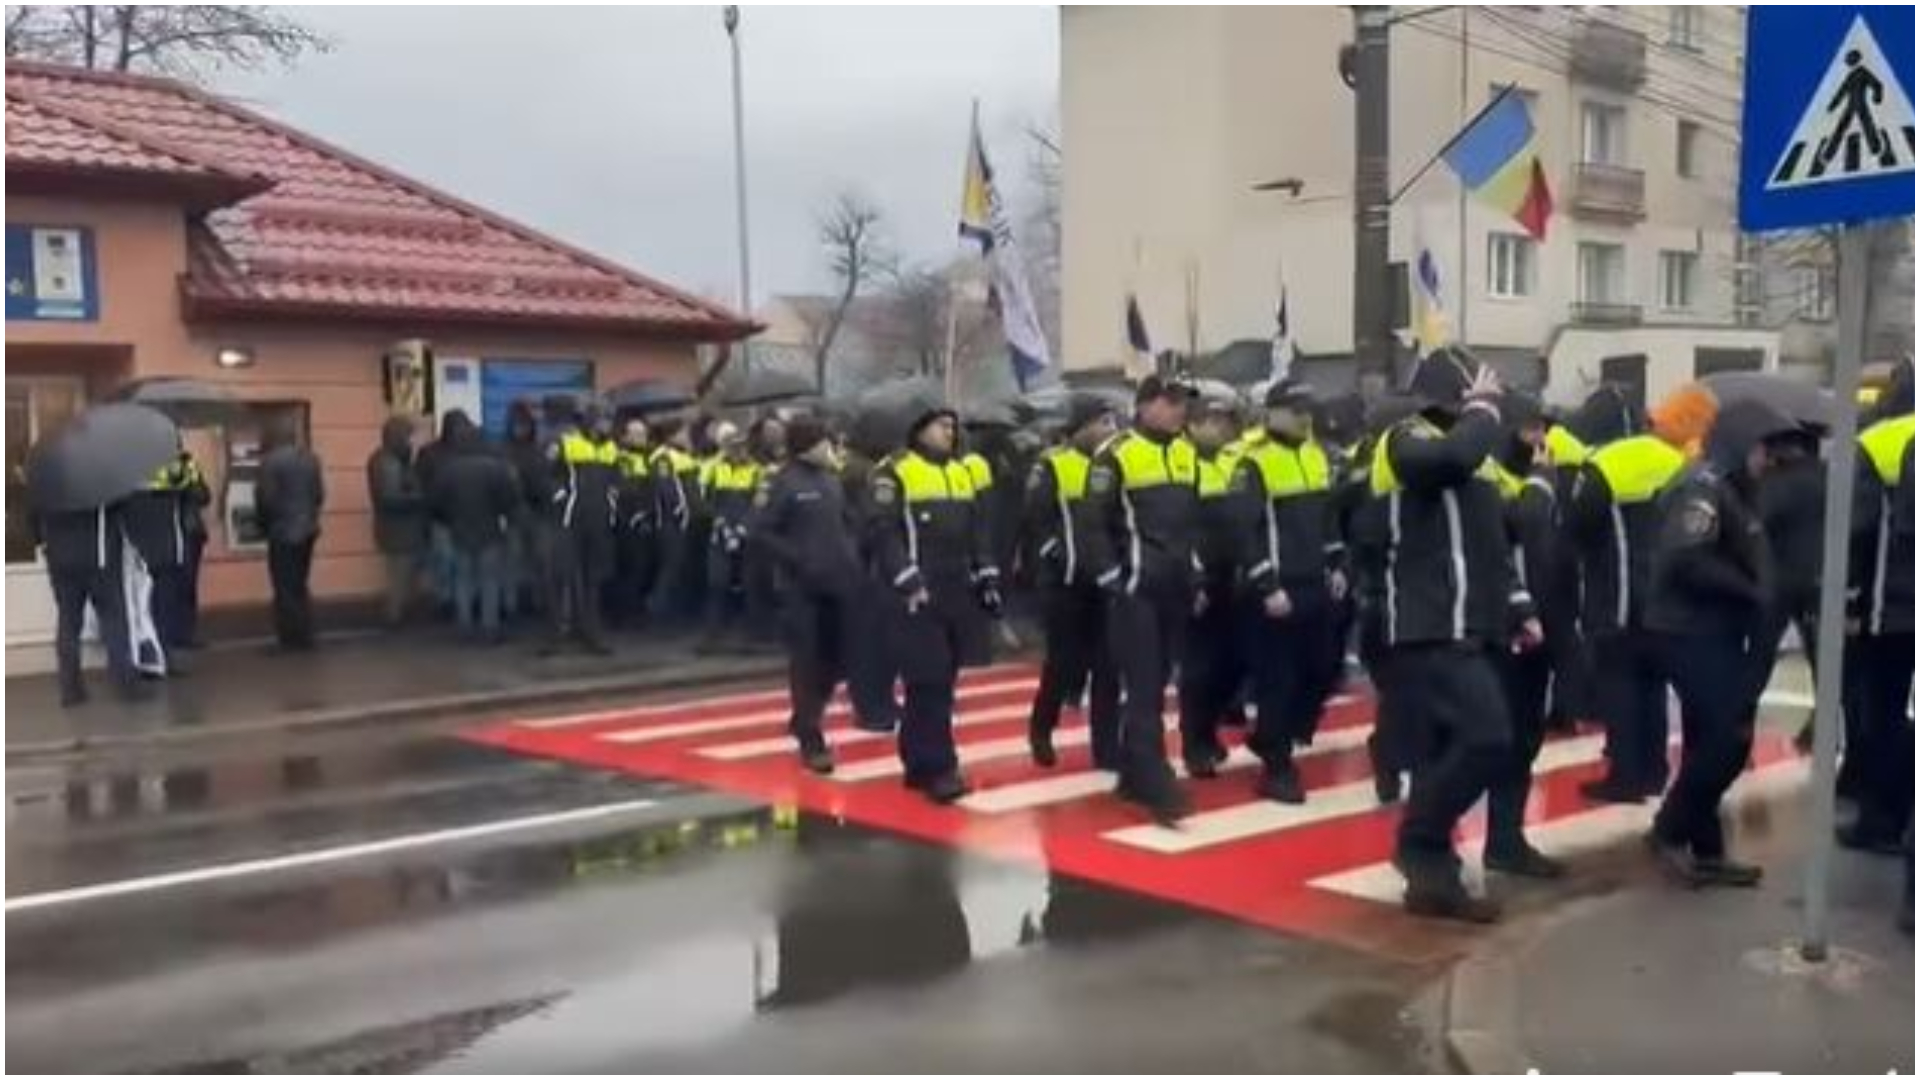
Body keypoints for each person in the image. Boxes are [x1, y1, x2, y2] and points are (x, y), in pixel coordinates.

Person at [1370, 356, 1538, 922]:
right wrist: (1483, 413)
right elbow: (1450, 458)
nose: (1490, 404)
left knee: (1446, 751)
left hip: (1475, 622)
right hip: (1426, 623)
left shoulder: (1477, 451)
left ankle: (1432, 881)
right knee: (1488, 737)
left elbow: (1491, 544)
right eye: (1477, 392)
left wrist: (1519, 607)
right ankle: (1418, 842)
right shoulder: (1405, 438)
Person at [1644, 399, 1800, 888]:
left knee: (1705, 739)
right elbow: (1688, 559)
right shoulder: (1703, 488)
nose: (1766, 459)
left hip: (1717, 631)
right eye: (1760, 448)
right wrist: (1750, 590)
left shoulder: (1734, 491)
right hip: (1690, 630)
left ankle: (1705, 846)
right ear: (1738, 444)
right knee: (1728, 737)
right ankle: (1669, 830)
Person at [1567, 383, 1716, 803]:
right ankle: (1653, 770)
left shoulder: (1608, 461)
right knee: (1651, 685)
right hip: (1666, 595)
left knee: (1621, 684)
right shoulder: (1679, 460)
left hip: (1617, 592)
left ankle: (1626, 776)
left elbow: (1578, 523)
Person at [1081, 374, 1203, 824]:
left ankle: (1134, 773)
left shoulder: (1188, 452)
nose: (1179, 411)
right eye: (1170, 402)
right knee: (1144, 684)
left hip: (1175, 589)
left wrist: (1195, 573)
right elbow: (1091, 524)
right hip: (1136, 591)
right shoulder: (1115, 455)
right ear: (1145, 405)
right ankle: (1155, 781)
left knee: (1157, 684)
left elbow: (1194, 522)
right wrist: (1116, 578)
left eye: (1182, 403)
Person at [868, 406, 998, 804]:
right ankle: (939, 766)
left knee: (944, 677)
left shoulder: (961, 472)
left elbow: (978, 529)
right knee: (930, 677)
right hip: (916, 591)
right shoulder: (895, 471)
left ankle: (918, 760)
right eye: (942, 426)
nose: (951, 433)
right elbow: (881, 530)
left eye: (953, 426)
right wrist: (906, 578)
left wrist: (987, 575)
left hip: (955, 588)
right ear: (919, 429)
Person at [1232, 379, 1346, 802]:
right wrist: (1266, 583)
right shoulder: (1253, 463)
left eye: (1309, 411)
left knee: (1321, 668)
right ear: (1274, 412)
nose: (1305, 418)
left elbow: (1328, 519)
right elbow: (1245, 531)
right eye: (1297, 410)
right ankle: (1277, 767)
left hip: (1315, 581)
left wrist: (1337, 562)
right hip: (1276, 590)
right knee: (1276, 678)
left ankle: (1272, 736)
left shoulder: (1316, 456)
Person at [751, 415, 866, 774]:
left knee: (836, 661)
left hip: (840, 583)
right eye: (821, 442)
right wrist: (797, 559)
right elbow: (760, 531)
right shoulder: (782, 482)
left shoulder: (832, 480)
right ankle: (811, 738)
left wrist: (852, 555)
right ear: (806, 445)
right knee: (806, 661)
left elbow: (848, 522)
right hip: (801, 588)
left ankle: (805, 714)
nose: (828, 447)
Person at [1485, 399, 1566, 878]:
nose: (1539, 439)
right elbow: (1520, 524)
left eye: (1544, 429)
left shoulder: (1547, 475)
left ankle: (1506, 838)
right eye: (1530, 429)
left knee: (1526, 735)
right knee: (1499, 735)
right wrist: (1541, 484)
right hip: (1502, 624)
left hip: (1541, 621)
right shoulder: (1489, 475)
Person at [1838, 362, 1914, 856]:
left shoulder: (1880, 444)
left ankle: (1883, 820)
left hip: (1891, 608)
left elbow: (1857, 532)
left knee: (1881, 716)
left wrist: (1846, 601)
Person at [1022, 394, 1122, 769]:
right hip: (1064, 583)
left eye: (1112, 422)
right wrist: (1056, 553)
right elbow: (1035, 520)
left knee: (1108, 665)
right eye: (1101, 422)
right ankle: (1041, 729)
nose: (1108, 430)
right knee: (1063, 663)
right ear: (1081, 426)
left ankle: (1106, 746)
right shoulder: (1052, 464)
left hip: (1105, 581)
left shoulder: (1113, 464)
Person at [1178, 392, 1249, 778]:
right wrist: (1195, 578)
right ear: (1193, 424)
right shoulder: (1182, 464)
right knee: (1199, 666)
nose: (1221, 428)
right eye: (1213, 421)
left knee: (1233, 662)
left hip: (1234, 576)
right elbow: (1181, 529)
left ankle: (1209, 728)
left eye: (1226, 421)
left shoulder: (1232, 463)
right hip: (1200, 577)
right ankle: (1195, 743)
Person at [36, 504, 144, 705]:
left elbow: (33, 517)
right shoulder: (99, 483)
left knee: (68, 623)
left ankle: (70, 688)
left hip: (61, 560)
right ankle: (124, 682)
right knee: (114, 620)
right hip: (99, 559)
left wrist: (45, 544)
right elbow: (126, 514)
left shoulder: (50, 485)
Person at [430, 410, 519, 644]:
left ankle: (464, 628)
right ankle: (490, 628)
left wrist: (448, 521)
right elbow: (510, 499)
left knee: (463, 581)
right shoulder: (495, 468)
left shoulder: (448, 469)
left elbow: (436, 502)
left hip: (459, 532)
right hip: (490, 532)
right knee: (490, 581)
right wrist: (503, 517)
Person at [542, 401, 619, 655]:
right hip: (569, 519)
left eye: (608, 421)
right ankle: (556, 633)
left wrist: (612, 500)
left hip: (598, 521)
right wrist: (560, 495)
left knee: (592, 580)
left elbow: (615, 479)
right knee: (562, 576)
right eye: (601, 421)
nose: (605, 426)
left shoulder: (610, 449)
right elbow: (547, 473)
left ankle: (591, 632)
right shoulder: (567, 443)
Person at [255, 417, 325, 651]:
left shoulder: (270, 462)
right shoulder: (310, 459)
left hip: (282, 531)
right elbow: (319, 495)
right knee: (300, 583)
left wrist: (264, 525)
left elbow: (266, 499)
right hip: (308, 529)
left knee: (284, 586)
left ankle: (289, 638)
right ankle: (305, 634)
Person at [699, 421, 764, 652]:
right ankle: (712, 637)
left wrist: (744, 529)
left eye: (742, 447)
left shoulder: (757, 470)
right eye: (733, 447)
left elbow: (760, 505)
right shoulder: (713, 469)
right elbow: (703, 501)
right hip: (720, 534)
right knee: (717, 584)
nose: (738, 451)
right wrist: (719, 523)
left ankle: (752, 637)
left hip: (747, 536)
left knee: (750, 585)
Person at [366, 415, 428, 628]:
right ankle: (393, 618)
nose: (413, 442)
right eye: (410, 436)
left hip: (399, 529)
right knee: (400, 577)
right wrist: (421, 498)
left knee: (403, 576)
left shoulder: (390, 459)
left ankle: (398, 615)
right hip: (399, 530)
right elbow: (391, 498)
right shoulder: (388, 463)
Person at [648, 417, 705, 627]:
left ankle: (673, 612)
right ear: (672, 435)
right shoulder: (663, 458)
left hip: (687, 521)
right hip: (671, 522)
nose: (686, 436)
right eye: (683, 432)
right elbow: (666, 488)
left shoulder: (685, 456)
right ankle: (655, 609)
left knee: (681, 566)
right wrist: (681, 509)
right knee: (671, 566)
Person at [502, 401, 550, 621]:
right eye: (518, 425)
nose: (520, 429)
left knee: (533, 561)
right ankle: (520, 604)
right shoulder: (534, 450)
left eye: (524, 425)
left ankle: (527, 602)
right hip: (524, 511)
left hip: (527, 511)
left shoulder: (505, 451)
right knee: (523, 560)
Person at [609, 416, 656, 629]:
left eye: (643, 434)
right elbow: (625, 491)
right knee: (627, 569)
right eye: (636, 434)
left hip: (644, 520)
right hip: (625, 522)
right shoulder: (622, 458)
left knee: (642, 568)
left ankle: (634, 609)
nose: (641, 438)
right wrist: (634, 514)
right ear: (626, 436)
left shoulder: (648, 458)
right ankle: (622, 614)